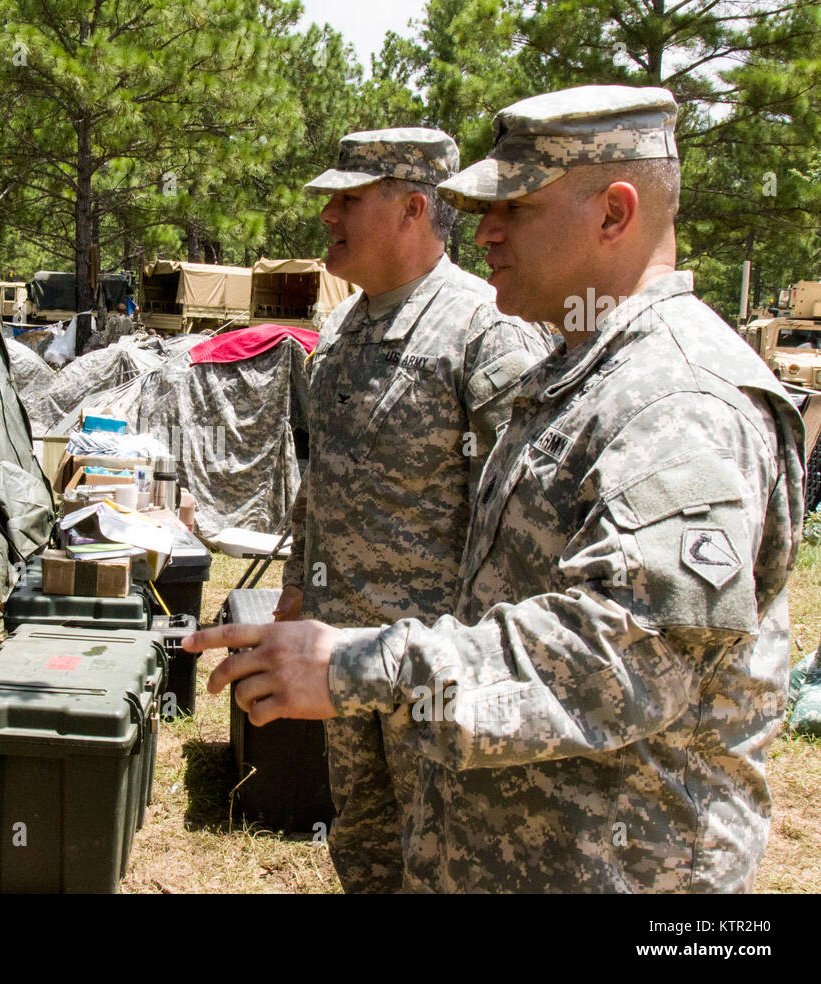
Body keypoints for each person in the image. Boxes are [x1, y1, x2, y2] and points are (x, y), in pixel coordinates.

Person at [187, 85, 804, 892]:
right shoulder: (581, 374)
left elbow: (622, 656)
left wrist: (361, 665)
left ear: (614, 214)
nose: (484, 232)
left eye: (516, 209)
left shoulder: (679, 401)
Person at [274, 128, 551, 892]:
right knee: (363, 852)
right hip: (343, 657)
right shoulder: (345, 326)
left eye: (348, 200)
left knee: (444, 864)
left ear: (412, 208)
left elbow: (526, 519)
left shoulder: (482, 330)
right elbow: (319, 481)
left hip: (435, 672)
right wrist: (297, 591)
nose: (327, 215)